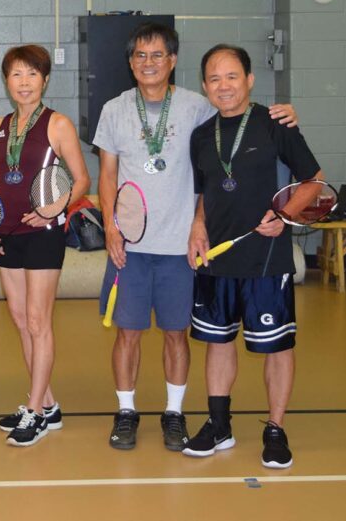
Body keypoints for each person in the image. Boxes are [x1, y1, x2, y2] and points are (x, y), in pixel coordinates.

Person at [93, 23, 297, 453]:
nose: (149, 63)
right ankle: (126, 412)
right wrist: (111, 226)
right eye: (140, 56)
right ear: (130, 63)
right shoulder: (113, 109)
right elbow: (107, 174)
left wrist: (283, 116)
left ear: (172, 61)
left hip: (182, 247)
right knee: (126, 333)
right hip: (129, 245)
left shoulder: (198, 108)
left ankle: (173, 413)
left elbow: (226, 146)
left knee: (176, 334)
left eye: (157, 55)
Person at [184, 45, 320, 469]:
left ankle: (275, 429)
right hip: (218, 257)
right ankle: (219, 425)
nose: (223, 86)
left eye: (231, 76)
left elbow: (313, 182)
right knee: (217, 343)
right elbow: (205, 190)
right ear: (204, 85)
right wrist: (198, 225)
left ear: (249, 80)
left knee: (276, 348)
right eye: (214, 78)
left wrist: (284, 215)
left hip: (266, 259)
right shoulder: (202, 135)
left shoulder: (275, 124)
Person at [0, 45, 90, 447]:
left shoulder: (58, 125)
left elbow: (81, 180)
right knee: (22, 320)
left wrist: (53, 210)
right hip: (6, 235)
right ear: (6, 81)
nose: (24, 82)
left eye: (32, 74)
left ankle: (37, 412)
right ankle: (47, 402)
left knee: (39, 321)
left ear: (44, 79)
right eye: (16, 75)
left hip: (43, 235)